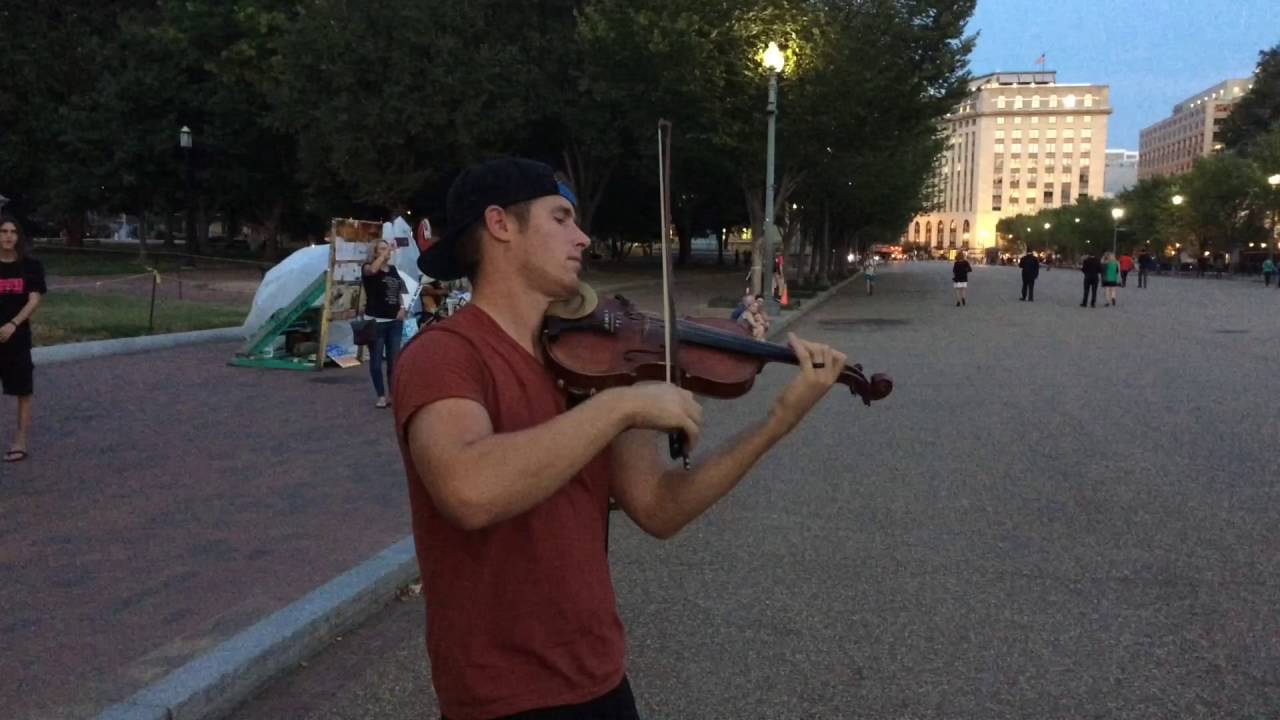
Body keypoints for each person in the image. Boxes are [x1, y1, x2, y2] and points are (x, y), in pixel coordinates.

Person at [392, 158, 847, 720]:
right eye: (560, 218)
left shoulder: (597, 363)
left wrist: (778, 421)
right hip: (499, 696)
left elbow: (660, 507)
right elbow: (468, 489)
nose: (582, 237)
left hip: (599, 679)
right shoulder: (446, 356)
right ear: (500, 225)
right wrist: (622, 405)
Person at [0, 216, 45, 462]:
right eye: (3, 231)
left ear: (19, 237)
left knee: (23, 390)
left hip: (17, 337)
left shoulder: (31, 266)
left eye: (13, 232)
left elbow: (34, 300)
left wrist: (13, 324)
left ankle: (20, 440)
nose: (8, 236)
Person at [361, 239, 406, 408]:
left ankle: (393, 394)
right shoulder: (367, 267)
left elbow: (401, 289)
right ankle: (380, 395)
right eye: (382, 248)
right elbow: (373, 269)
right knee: (376, 360)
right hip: (376, 321)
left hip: (394, 321)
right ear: (375, 252)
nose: (386, 251)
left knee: (394, 360)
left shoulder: (393, 270)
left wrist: (402, 307)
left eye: (387, 248)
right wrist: (383, 255)